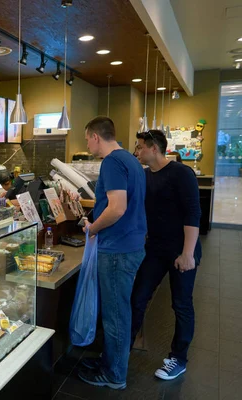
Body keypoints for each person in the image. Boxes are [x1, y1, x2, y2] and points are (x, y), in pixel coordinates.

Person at [78, 116, 147, 390]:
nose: (86, 144)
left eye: (87, 139)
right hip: (131, 244)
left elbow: (117, 208)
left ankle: (114, 375)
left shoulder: (112, 162)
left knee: (116, 314)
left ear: (96, 136)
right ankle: (109, 361)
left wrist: (93, 228)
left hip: (118, 249)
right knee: (119, 310)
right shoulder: (131, 160)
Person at [131, 130, 201, 380]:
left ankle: (178, 358)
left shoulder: (181, 173)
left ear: (153, 148)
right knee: (138, 297)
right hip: (155, 249)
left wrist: (188, 254)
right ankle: (122, 348)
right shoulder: (144, 175)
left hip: (182, 249)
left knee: (181, 303)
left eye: (139, 147)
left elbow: (193, 214)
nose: (137, 152)